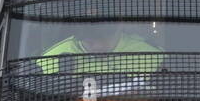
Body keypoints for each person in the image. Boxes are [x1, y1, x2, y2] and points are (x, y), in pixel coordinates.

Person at [35, 20, 165, 74]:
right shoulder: (49, 60)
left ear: (119, 28)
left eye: (104, 39)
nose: (97, 47)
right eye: (90, 41)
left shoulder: (150, 55)